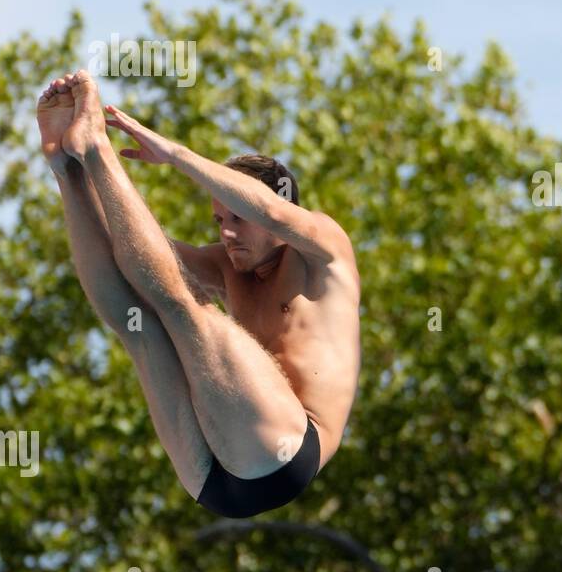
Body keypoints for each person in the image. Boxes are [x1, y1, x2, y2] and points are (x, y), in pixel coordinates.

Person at [37, 71, 361, 515]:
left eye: (237, 218)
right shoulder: (229, 266)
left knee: (188, 308)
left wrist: (175, 154)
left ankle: (96, 146)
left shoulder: (323, 250)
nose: (226, 233)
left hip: (286, 449)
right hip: (212, 481)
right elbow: (131, 254)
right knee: (140, 321)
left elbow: (266, 208)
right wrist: (76, 176)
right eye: (218, 221)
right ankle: (70, 163)